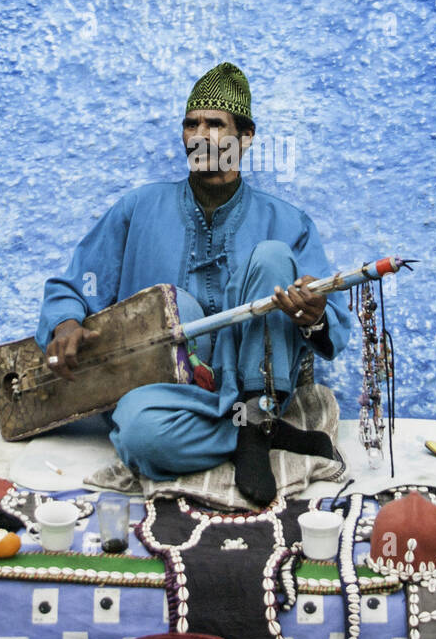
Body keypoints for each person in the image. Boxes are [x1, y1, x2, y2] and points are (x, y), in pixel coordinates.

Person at [36, 62, 350, 505]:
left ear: (246, 137)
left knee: (274, 256)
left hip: (257, 385)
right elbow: (77, 281)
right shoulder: (137, 208)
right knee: (137, 434)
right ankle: (257, 434)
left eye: (216, 124)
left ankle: (258, 414)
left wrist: (313, 317)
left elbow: (332, 322)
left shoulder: (287, 221)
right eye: (191, 124)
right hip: (172, 395)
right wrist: (65, 322)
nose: (201, 135)